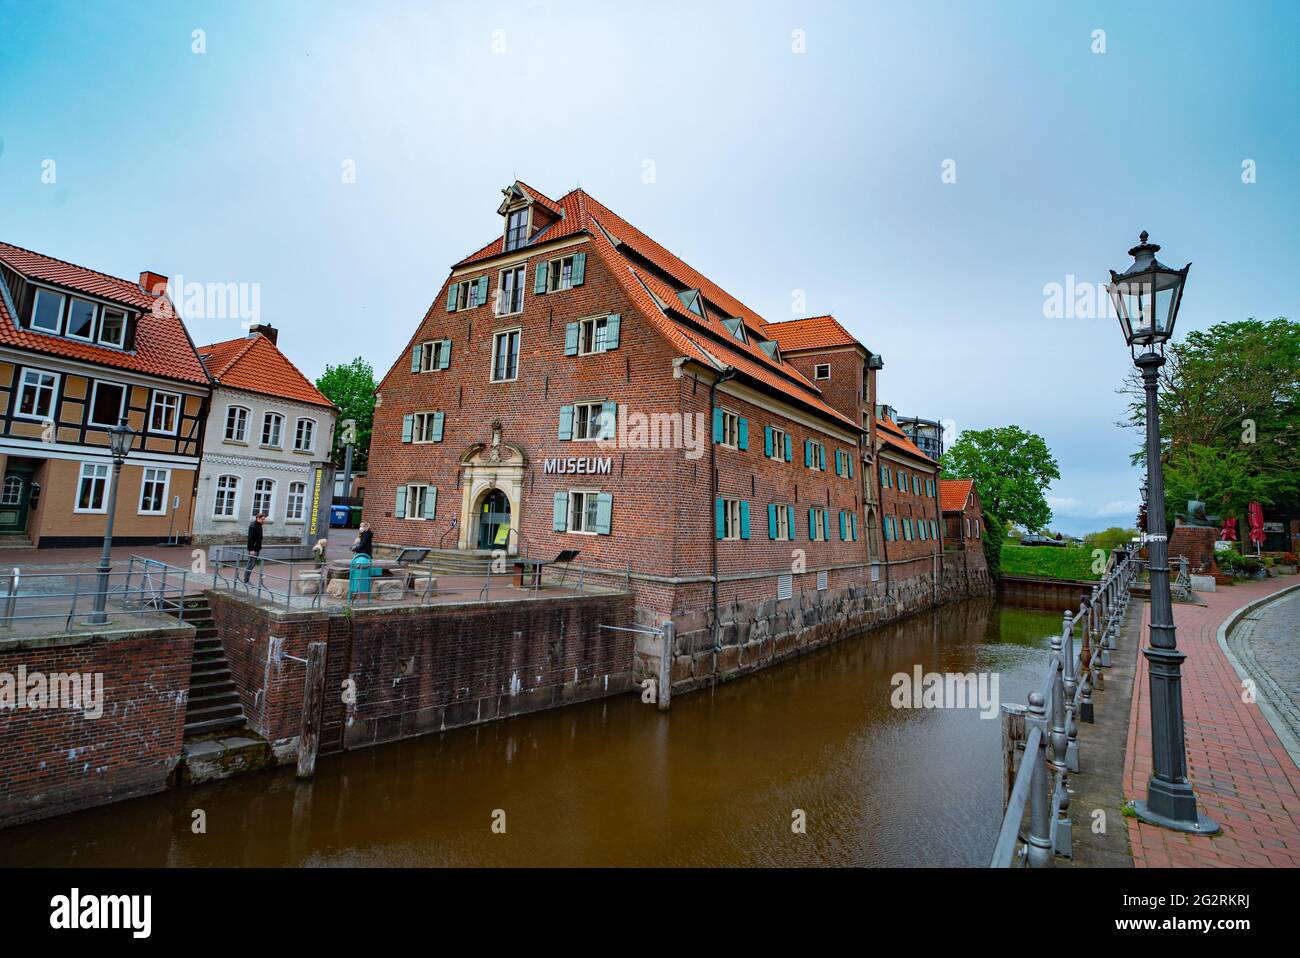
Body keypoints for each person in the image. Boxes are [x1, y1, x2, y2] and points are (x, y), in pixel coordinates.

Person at [243, 513, 267, 583]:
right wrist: (251, 549)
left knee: (252, 565)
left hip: (257, 549)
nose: (263, 521)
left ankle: (246, 580)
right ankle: (246, 581)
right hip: (253, 550)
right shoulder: (253, 526)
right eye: (262, 519)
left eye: (264, 519)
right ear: (258, 518)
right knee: (250, 565)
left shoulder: (259, 526)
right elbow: (250, 539)